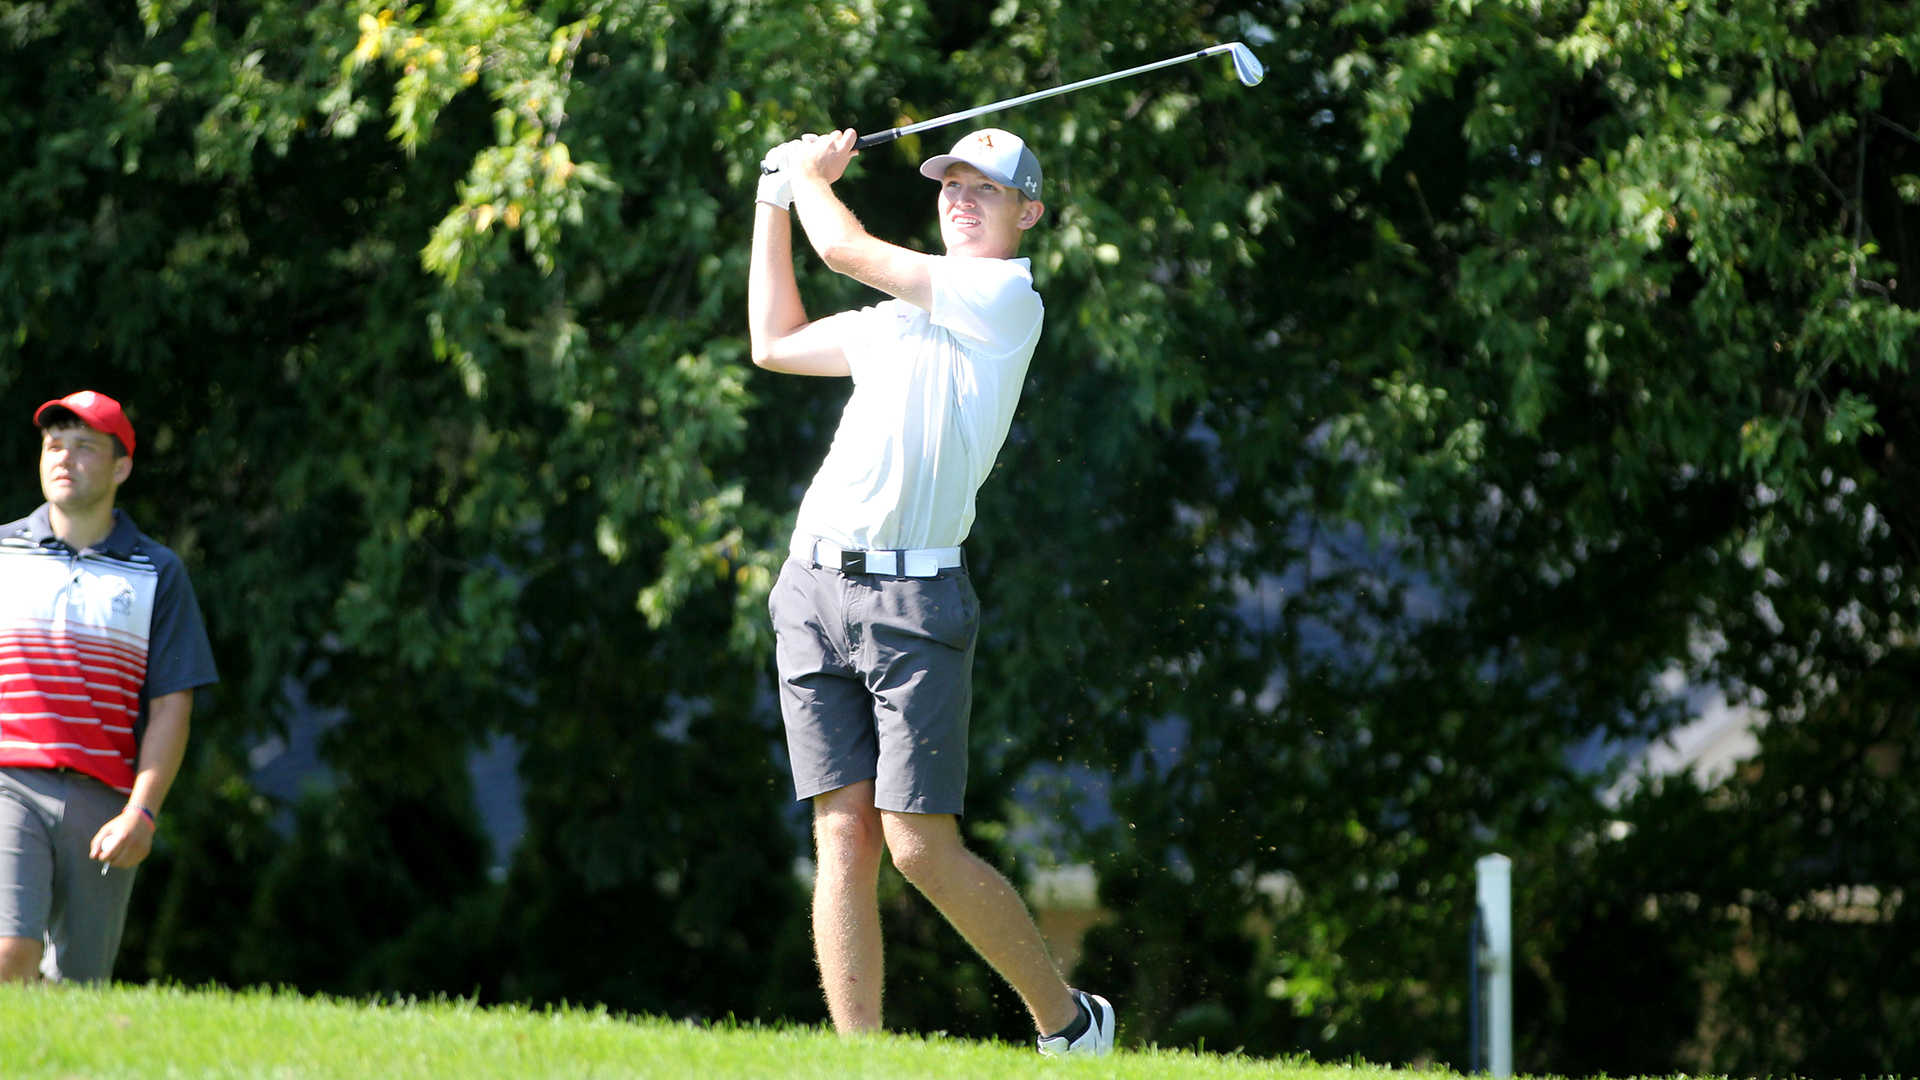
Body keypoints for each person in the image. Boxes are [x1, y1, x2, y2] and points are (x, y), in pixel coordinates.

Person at [748, 127, 1114, 1056]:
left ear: (1026, 213)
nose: (961, 197)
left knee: (917, 846)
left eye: (984, 189)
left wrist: (806, 177)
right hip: (813, 586)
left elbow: (845, 250)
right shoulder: (893, 321)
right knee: (843, 835)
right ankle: (859, 1060)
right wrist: (770, 199)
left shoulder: (1004, 298)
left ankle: (1069, 1026)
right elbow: (774, 342)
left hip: (914, 607)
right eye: (951, 182)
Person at [0, 390, 218, 983]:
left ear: (121, 466)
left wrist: (142, 813)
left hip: (104, 803)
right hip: (8, 784)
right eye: (53, 445)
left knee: (77, 986)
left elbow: (172, 706)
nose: (64, 458)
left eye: (84, 448)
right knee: (8, 954)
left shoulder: (159, 572)